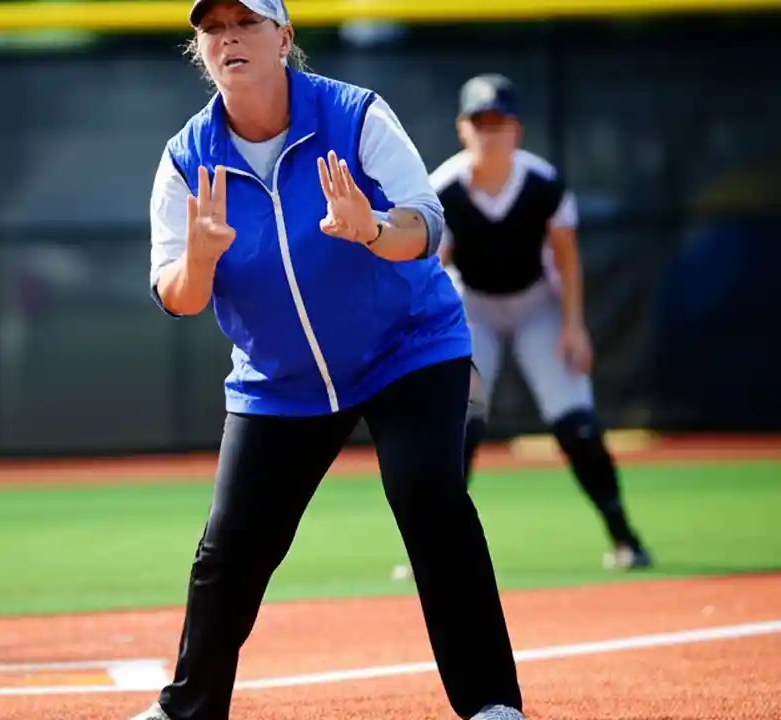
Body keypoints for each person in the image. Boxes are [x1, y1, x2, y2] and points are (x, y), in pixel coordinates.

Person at [130, 1, 525, 718]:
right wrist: (199, 258)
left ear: (283, 37)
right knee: (232, 548)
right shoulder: (186, 158)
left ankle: (493, 705)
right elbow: (178, 297)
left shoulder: (354, 115)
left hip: (407, 348)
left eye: (245, 23)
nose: (228, 39)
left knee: (429, 498)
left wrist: (371, 228)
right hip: (281, 381)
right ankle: (185, 709)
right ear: (200, 49)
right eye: (213, 28)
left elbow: (425, 225)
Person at [429, 73, 652, 571]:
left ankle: (624, 537)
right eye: (480, 121)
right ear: (462, 128)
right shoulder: (442, 188)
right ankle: (436, 552)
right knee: (458, 423)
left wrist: (574, 326)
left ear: (518, 129)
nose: (491, 132)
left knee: (576, 422)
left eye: (500, 121)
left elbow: (566, 259)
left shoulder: (542, 184)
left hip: (536, 305)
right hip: (474, 307)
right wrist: (437, 342)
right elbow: (434, 269)